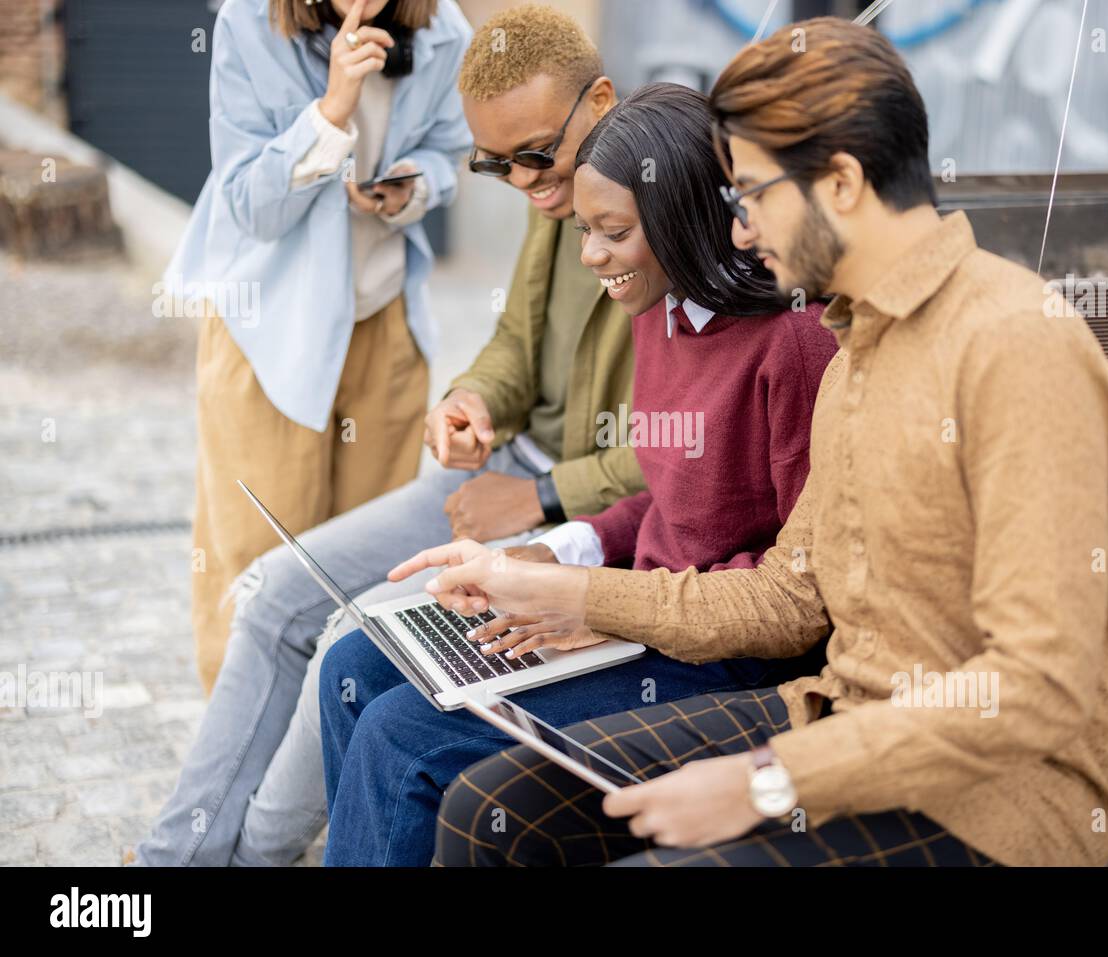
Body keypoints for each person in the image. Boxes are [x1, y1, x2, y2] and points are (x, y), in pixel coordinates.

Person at [420, 17, 1108, 868]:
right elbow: (789, 597)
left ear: (837, 183)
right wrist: (571, 593)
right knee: (491, 811)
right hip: (834, 717)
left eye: (752, 195)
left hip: (1001, 802)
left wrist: (765, 781)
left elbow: (1036, 689)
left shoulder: (1016, 345)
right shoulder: (853, 352)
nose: (738, 233)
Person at [132, 4, 642, 866]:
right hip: (309, 353)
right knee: (269, 591)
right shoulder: (550, 180)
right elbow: (516, 340)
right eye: (501, 164)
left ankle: (255, 853)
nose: (522, 180)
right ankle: (174, 858)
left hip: (574, 514)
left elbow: (680, 453)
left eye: (532, 156)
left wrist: (544, 493)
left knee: (350, 633)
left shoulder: (655, 209)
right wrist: (475, 399)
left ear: (600, 100)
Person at [317, 81, 839, 866]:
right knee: (354, 664)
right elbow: (671, 501)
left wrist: (605, 608)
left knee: (406, 737)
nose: (590, 254)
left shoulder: (792, 346)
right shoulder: (662, 311)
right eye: (586, 230)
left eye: (612, 231)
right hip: (637, 610)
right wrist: (563, 552)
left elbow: (799, 593)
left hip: (720, 655)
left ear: (683, 221)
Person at [170, 0, 473, 695]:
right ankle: (238, 769)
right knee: (257, 561)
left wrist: (412, 187)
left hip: (383, 319)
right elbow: (248, 202)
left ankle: (342, 751)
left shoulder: (444, 31)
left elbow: (454, 152)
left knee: (375, 562)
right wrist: (332, 111)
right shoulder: (248, 24)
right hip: (269, 329)